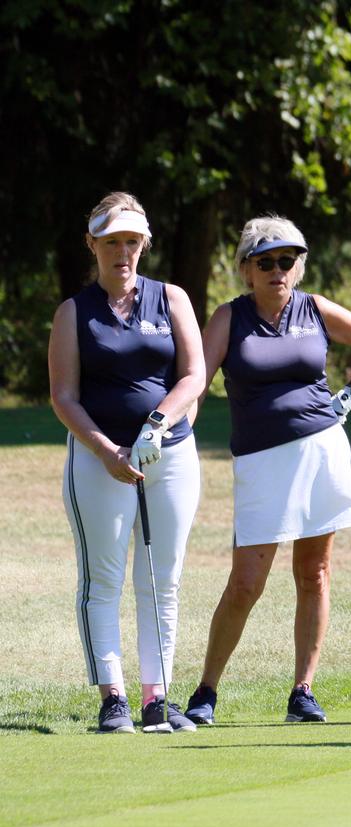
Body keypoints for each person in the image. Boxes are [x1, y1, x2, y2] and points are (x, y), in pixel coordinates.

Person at [183, 215, 351, 725]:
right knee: (246, 582)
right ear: (246, 270)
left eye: (287, 260)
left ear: (297, 267)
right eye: (266, 261)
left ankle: (303, 691)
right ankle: (205, 692)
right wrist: (176, 433)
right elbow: (196, 380)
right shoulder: (228, 319)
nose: (278, 270)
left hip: (321, 449)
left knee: (315, 574)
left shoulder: (314, 308)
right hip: (260, 460)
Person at [48, 192, 205, 733]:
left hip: (170, 453)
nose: (123, 251)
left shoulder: (171, 299)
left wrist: (157, 425)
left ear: (144, 245)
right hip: (100, 457)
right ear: (92, 245)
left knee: (163, 579)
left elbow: (194, 375)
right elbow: (63, 397)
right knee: (103, 578)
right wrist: (107, 451)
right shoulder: (74, 312)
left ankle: (156, 699)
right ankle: (112, 696)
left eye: (132, 241)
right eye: (112, 241)